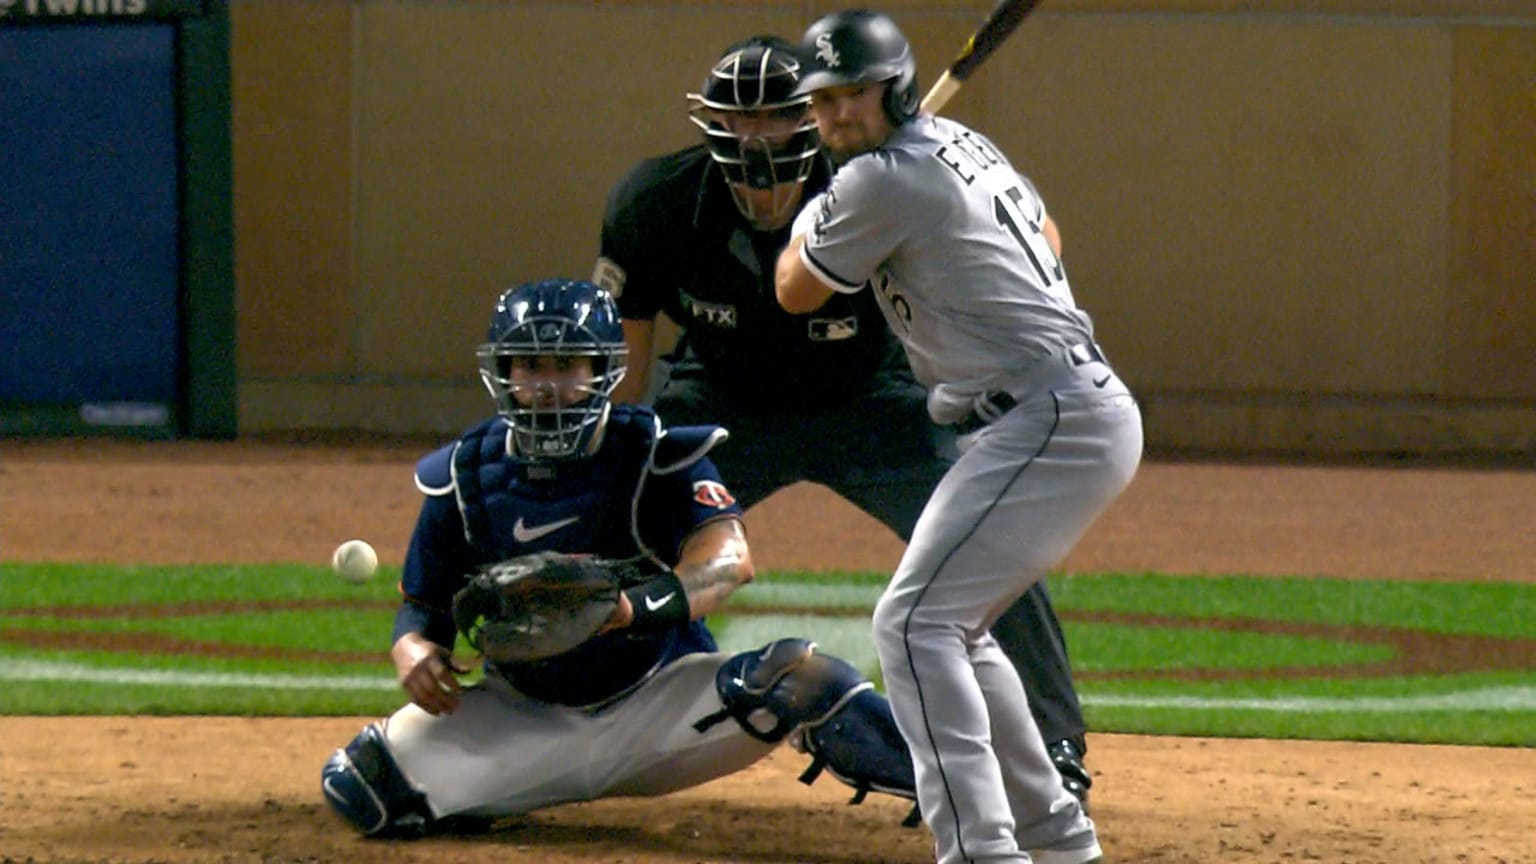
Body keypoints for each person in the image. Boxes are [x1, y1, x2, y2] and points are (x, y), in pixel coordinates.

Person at [594, 33, 1096, 806]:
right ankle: (581, 711)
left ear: (813, 119)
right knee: (616, 529)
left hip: (873, 403)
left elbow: (1040, 238)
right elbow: (628, 375)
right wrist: (619, 479)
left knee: (987, 544)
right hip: (722, 405)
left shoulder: (887, 179)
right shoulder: (655, 204)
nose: (753, 138)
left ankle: (1055, 747)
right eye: (737, 118)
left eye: (774, 116)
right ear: (710, 124)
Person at [319, 278, 917, 837]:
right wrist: (415, 650)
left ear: (603, 370)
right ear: (503, 372)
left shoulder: (654, 451)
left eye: (567, 366)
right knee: (362, 787)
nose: (548, 385)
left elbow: (728, 561)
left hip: (661, 706)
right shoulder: (464, 475)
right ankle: (522, 783)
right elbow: (422, 605)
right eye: (530, 366)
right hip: (524, 714)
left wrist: (629, 609)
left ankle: (955, 787)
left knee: (799, 677)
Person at [775, 10, 1143, 864]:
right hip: (1051, 410)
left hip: (1046, 414)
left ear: (893, 86)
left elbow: (796, 290)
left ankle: (980, 851)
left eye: (852, 96)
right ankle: (1055, 838)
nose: (835, 118)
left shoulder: (879, 182)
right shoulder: (962, 145)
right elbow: (1048, 238)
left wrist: (815, 215)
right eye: (822, 102)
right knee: (952, 629)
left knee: (911, 627)